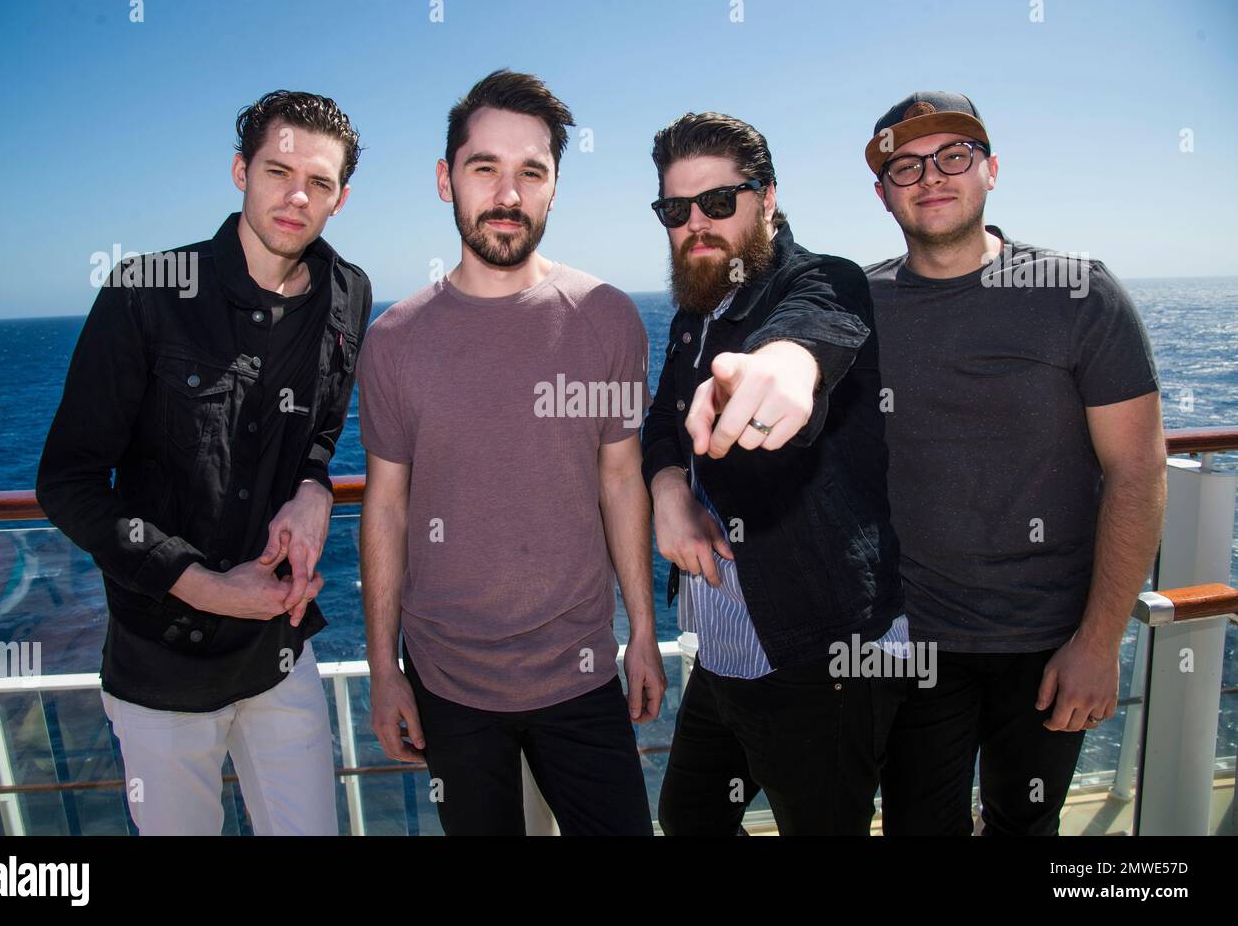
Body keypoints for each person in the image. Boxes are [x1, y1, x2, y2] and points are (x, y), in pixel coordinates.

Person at [36, 90, 372, 835]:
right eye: (277, 171)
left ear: (341, 197)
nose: (296, 196)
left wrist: (316, 486)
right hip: (159, 668)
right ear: (238, 171)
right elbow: (67, 482)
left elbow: (321, 431)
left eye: (319, 183)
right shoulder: (143, 294)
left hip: (279, 651)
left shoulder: (350, 294)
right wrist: (204, 585)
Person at [357, 70, 662, 835]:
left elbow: (622, 480)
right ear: (444, 179)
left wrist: (644, 635)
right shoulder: (394, 340)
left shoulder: (607, 317)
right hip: (447, 684)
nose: (507, 192)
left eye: (532, 171)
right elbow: (386, 507)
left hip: (584, 671)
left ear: (555, 187)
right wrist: (383, 669)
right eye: (484, 166)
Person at [862, 91, 1166, 835]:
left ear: (991, 170)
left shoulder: (1078, 293)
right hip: (912, 640)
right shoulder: (856, 304)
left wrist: (1100, 643)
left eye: (954, 156)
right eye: (906, 165)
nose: (931, 175)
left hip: (1049, 641)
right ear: (882, 194)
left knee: (1023, 827)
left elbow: (1138, 470)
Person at [643, 112, 910, 836]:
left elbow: (807, 339)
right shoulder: (694, 314)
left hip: (820, 655)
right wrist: (668, 490)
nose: (696, 223)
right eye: (676, 209)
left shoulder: (825, 279)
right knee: (689, 817)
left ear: (767, 198)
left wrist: (781, 372)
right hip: (726, 647)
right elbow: (664, 421)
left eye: (719, 202)